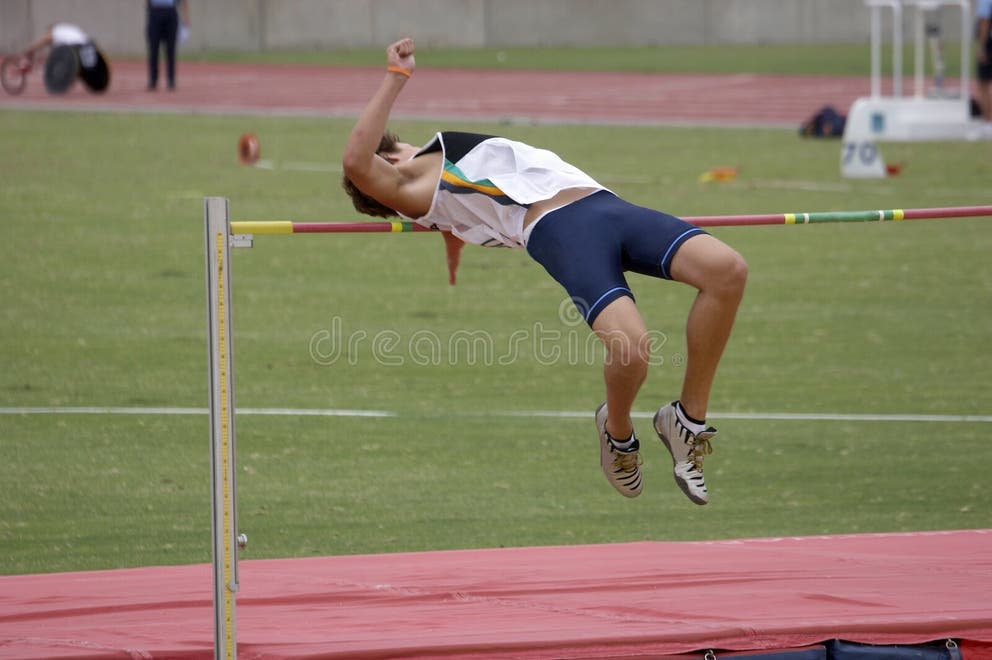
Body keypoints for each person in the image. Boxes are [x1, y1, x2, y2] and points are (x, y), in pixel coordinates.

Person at [341, 39, 747, 505]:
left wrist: (450, 238)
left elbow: (458, 207)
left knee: (727, 271)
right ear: (387, 170)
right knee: (632, 348)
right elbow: (356, 161)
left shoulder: (437, 171)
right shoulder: (408, 186)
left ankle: (685, 421)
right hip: (560, 229)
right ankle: (616, 434)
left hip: (603, 203)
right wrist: (397, 75)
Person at [21, 22, 109, 94]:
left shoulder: (55, 32)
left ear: (51, 29)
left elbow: (43, 41)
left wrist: (29, 50)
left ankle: (60, 76)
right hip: (89, 45)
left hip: (75, 48)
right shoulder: (66, 31)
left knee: (56, 59)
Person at [145, 0, 190, 91]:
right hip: (155, 11)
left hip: (170, 11)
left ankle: (171, 80)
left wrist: (186, 18)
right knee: (153, 49)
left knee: (171, 49)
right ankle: (153, 80)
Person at [977, 0, 992, 120]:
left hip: (989, 44)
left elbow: (985, 21)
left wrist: (982, 47)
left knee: (983, 83)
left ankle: (988, 120)